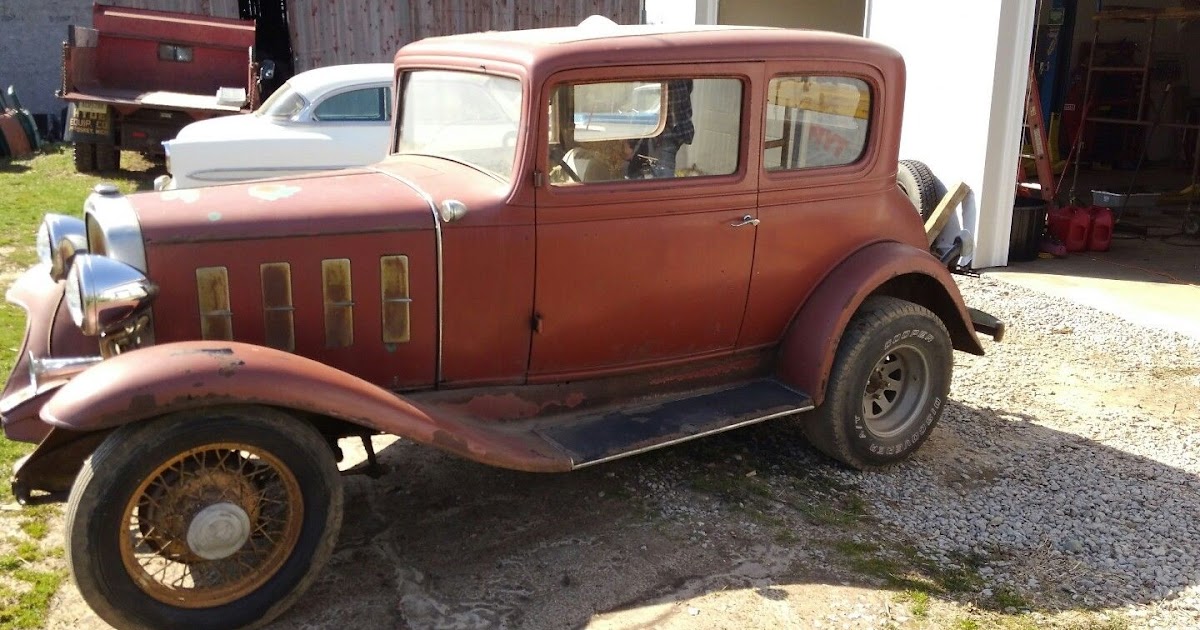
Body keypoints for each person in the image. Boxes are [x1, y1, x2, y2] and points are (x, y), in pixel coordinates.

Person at [652, 79, 694, 177]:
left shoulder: (671, 81)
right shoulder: (682, 77)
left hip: (668, 132)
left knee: (663, 172)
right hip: (678, 129)